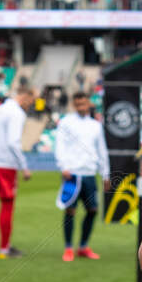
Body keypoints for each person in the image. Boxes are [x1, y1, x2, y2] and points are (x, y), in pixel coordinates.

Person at [54, 90, 109, 261]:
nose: (80, 106)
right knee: (70, 210)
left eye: (83, 103)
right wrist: (63, 166)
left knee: (92, 210)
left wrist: (105, 174)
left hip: (89, 174)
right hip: (72, 173)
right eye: (77, 104)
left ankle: (83, 246)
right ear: (74, 104)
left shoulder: (96, 125)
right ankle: (68, 248)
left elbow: (102, 150)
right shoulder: (66, 123)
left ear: (88, 103)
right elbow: (60, 145)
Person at [0, 83, 34, 258]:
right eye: (30, 100)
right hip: (6, 163)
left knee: (6, 204)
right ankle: (4, 248)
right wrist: (24, 166)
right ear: (24, 96)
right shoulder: (16, 113)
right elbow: (13, 142)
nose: (30, 104)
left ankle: (6, 245)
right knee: (8, 204)